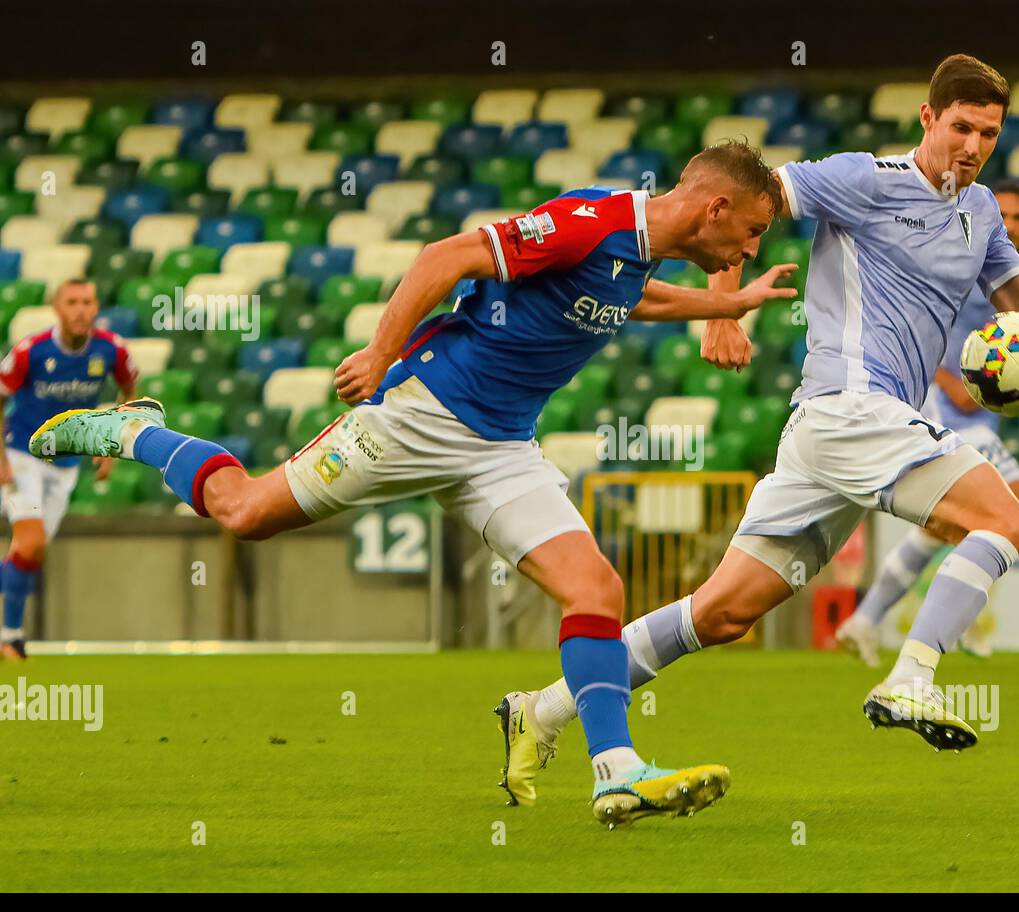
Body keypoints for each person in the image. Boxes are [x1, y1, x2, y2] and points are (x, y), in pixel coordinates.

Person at [30, 143, 796, 826]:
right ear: (716, 207)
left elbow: (631, 299)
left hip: (501, 447)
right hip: (418, 413)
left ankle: (615, 772)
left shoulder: (641, 254)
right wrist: (378, 352)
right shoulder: (591, 221)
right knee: (245, 513)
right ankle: (136, 430)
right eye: (753, 231)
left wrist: (727, 303)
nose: (753, 246)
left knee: (596, 589)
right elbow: (444, 256)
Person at [501, 53, 1019, 803]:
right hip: (853, 406)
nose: (972, 145)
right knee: (1007, 519)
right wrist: (724, 302)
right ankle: (911, 676)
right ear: (928, 118)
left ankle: (540, 710)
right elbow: (742, 198)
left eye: (988, 133)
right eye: (961, 126)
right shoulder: (864, 178)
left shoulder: (982, 211)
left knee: (723, 613)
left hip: (831, 432)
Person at [836, 179, 1019, 663]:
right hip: (943, 399)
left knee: (949, 523)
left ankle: (867, 620)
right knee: (1018, 500)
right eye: (1006, 215)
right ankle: (958, 621)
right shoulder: (962, 259)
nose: (1013, 225)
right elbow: (914, 322)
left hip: (984, 410)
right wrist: (946, 379)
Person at [0, 279, 137, 661]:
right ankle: (11, 639)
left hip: (65, 464)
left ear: (97, 307)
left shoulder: (111, 350)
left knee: (32, 553)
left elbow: (129, 393)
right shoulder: (32, 350)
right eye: (72, 302)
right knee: (29, 541)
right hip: (23, 454)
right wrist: (2, 460)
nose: (81, 309)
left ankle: (9, 637)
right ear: (57, 309)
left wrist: (111, 444)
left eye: (88, 302)